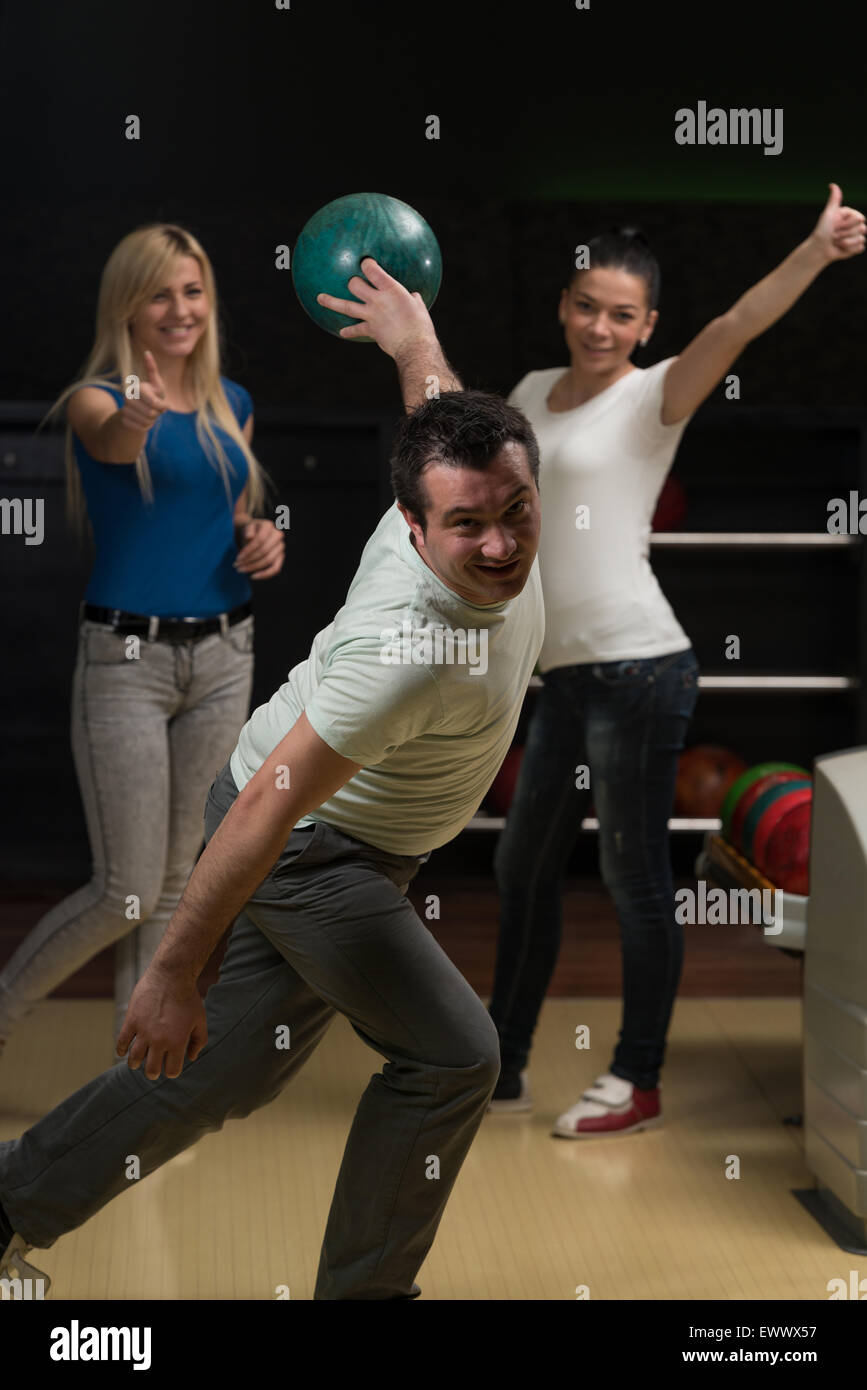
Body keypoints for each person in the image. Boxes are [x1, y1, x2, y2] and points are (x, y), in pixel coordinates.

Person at [0, 282, 546, 1298]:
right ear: (414, 531)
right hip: (306, 843)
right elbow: (266, 809)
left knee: (213, 1073)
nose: (502, 546)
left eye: (517, 511)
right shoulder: (408, 653)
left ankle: (6, 1203)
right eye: (469, 526)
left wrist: (416, 335)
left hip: (326, 835)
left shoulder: (458, 481)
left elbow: (441, 410)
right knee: (454, 1056)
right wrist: (170, 971)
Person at [485, 183, 865, 1135]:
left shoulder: (657, 394)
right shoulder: (529, 393)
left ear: (647, 323)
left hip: (640, 667)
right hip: (560, 673)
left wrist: (816, 248)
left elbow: (738, 321)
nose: (599, 327)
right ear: (563, 305)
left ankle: (635, 1078)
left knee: (631, 879)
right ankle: (499, 1069)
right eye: (585, 306)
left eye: (621, 314)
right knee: (520, 871)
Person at [0, 223, 285, 1055]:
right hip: (126, 662)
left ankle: (131, 1088)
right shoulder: (97, 398)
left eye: (192, 291)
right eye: (159, 292)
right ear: (126, 304)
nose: (179, 308)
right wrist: (139, 414)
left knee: (170, 890)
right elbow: (115, 442)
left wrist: (259, 536)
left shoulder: (235, 405)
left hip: (225, 654)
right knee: (123, 889)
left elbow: (222, 518)